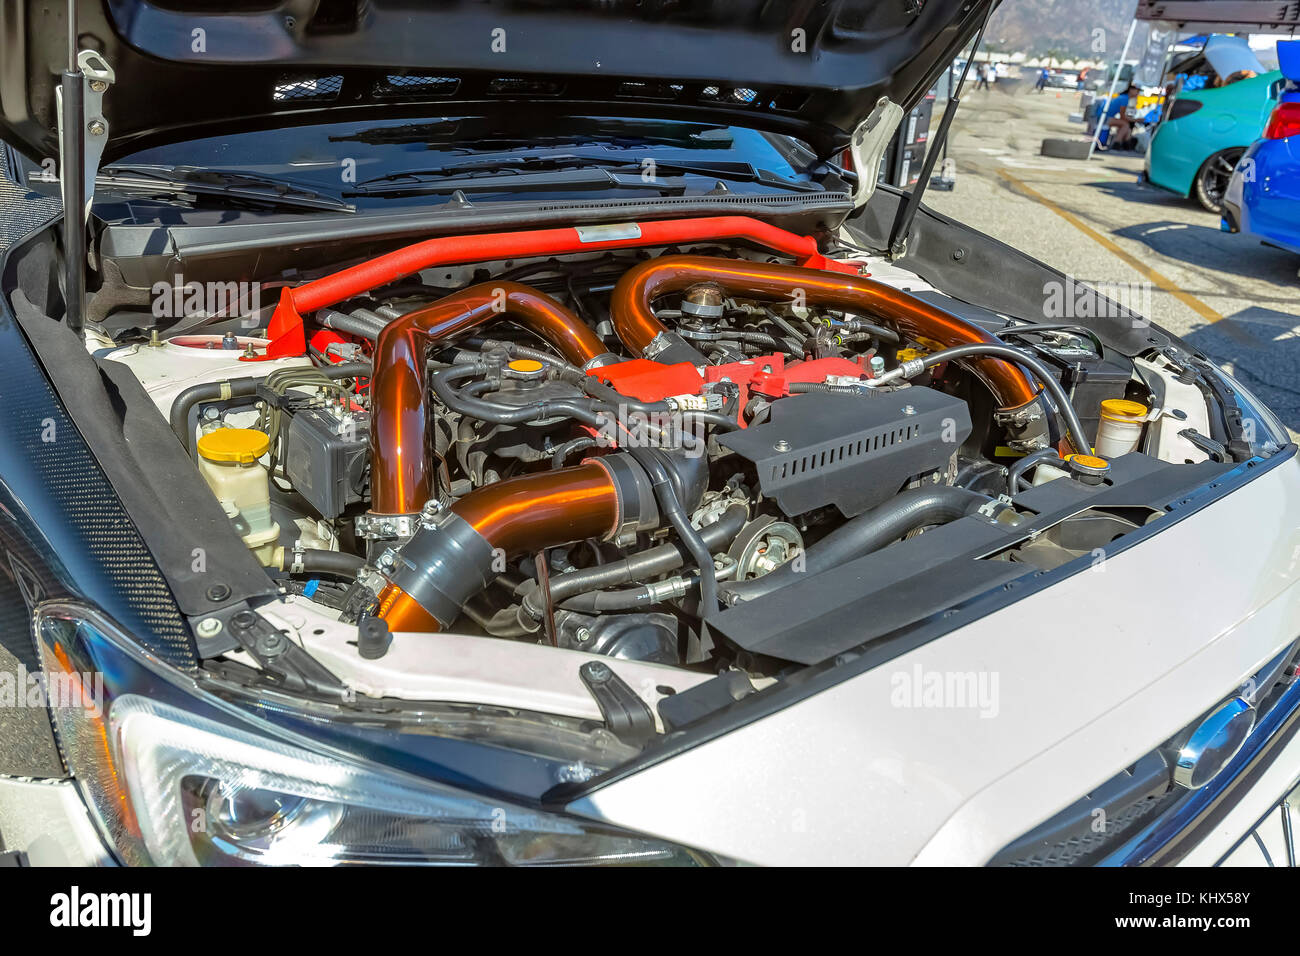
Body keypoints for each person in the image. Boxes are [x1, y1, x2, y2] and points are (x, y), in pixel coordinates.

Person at [1102, 83, 1142, 151]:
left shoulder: (1124, 97)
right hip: (1103, 118)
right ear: (1131, 90)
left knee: (1126, 126)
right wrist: (1136, 120)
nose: (1138, 93)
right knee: (1125, 125)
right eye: (1137, 91)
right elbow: (1122, 116)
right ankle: (1117, 144)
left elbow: (1122, 116)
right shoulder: (1125, 99)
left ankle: (1124, 143)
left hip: (1104, 117)